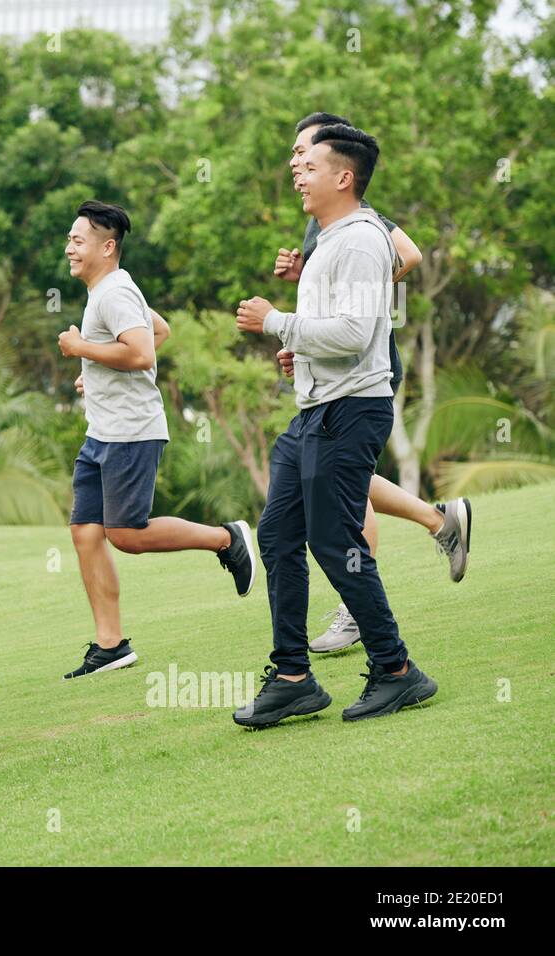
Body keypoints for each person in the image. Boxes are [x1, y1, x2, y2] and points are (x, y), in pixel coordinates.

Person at [235, 124, 438, 727]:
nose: (296, 171)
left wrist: (277, 322)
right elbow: (342, 332)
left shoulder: (358, 241)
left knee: (334, 540)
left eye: (309, 164)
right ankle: (293, 678)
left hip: (351, 411)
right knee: (276, 535)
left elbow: (353, 336)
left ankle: (397, 671)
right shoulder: (329, 241)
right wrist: (299, 349)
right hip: (317, 412)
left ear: (344, 177)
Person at [274, 112, 471, 654]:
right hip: (333, 363)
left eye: (302, 151)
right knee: (347, 484)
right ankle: (438, 521)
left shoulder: (359, 215)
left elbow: (406, 256)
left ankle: (356, 609)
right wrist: (305, 276)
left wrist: (361, 297)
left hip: (361, 363)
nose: (294, 161)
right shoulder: (318, 216)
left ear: (333, 159)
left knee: (344, 498)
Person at [58, 200, 258, 681]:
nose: (69, 247)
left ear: (107, 248)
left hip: (130, 432)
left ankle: (225, 537)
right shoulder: (107, 290)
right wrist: (98, 371)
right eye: (69, 238)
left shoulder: (114, 293)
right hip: (101, 432)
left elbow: (144, 351)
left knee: (126, 535)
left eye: (78, 240)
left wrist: (82, 349)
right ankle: (110, 645)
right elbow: (160, 330)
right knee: (86, 532)